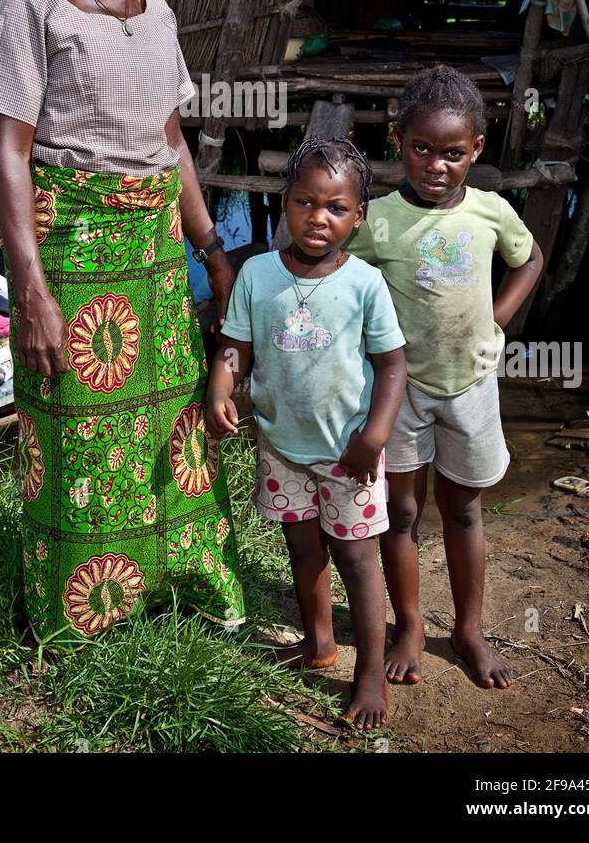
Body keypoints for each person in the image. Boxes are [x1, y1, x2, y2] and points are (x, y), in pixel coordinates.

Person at [0, 0, 245, 642]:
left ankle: (176, 586)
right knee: (81, 436)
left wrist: (210, 247)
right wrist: (33, 293)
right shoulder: (29, 7)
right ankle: (82, 614)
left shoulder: (154, 9)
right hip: (74, 251)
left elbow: (169, 137)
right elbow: (9, 155)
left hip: (157, 252)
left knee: (173, 427)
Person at [346, 66, 543, 689]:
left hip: (471, 384)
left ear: (476, 151)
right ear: (397, 142)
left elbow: (529, 257)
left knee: (463, 509)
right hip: (400, 391)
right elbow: (338, 276)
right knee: (400, 512)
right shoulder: (376, 219)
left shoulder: (491, 211)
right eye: (421, 149)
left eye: (453, 153)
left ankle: (467, 629)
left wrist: (499, 317)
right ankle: (408, 626)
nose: (436, 165)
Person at [205, 138, 407, 730]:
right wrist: (222, 388)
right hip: (281, 446)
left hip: (350, 453)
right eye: (304, 202)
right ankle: (318, 640)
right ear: (287, 203)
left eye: (336, 208)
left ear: (358, 216)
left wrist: (374, 436)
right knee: (301, 546)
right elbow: (234, 347)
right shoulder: (257, 275)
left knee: (356, 557)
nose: (318, 218)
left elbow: (393, 365)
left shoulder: (366, 283)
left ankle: (369, 672)